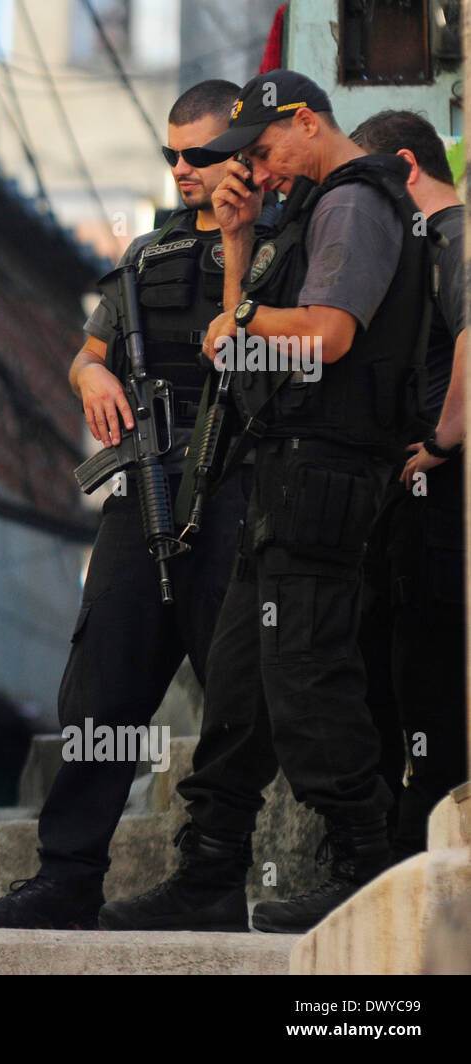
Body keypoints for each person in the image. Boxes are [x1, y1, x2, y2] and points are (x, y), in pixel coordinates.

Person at [100, 71, 433, 934]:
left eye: (263, 150)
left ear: (305, 120)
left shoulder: (353, 204)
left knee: (306, 679)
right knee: (241, 691)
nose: (258, 168)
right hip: (281, 476)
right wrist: (242, 245)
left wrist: (239, 328)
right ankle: (208, 873)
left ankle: (366, 868)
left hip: (323, 476)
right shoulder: (309, 208)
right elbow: (240, 346)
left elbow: (326, 335)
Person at [0, 81, 253, 930]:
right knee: (101, 693)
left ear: (243, 152)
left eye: (198, 155)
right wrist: (91, 375)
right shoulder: (149, 255)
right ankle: (67, 876)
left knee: (241, 700)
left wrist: (242, 243)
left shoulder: (291, 239)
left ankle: (214, 879)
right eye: (173, 155)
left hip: (240, 489)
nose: (182, 170)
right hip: (145, 492)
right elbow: (90, 352)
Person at [351, 110, 467, 861]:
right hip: (419, 508)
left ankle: (415, 857)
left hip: (443, 500)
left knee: (427, 678)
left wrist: (441, 438)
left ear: (405, 166)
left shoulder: (456, 234)